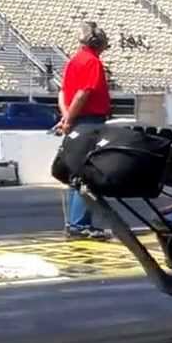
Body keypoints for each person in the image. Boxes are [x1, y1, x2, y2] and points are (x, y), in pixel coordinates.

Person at [56, 22, 113, 241]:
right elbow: (83, 93)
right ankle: (80, 225)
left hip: (76, 119)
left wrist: (66, 117)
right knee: (86, 173)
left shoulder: (73, 61)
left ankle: (74, 222)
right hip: (89, 121)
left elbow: (63, 92)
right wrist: (70, 118)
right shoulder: (92, 62)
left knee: (74, 172)